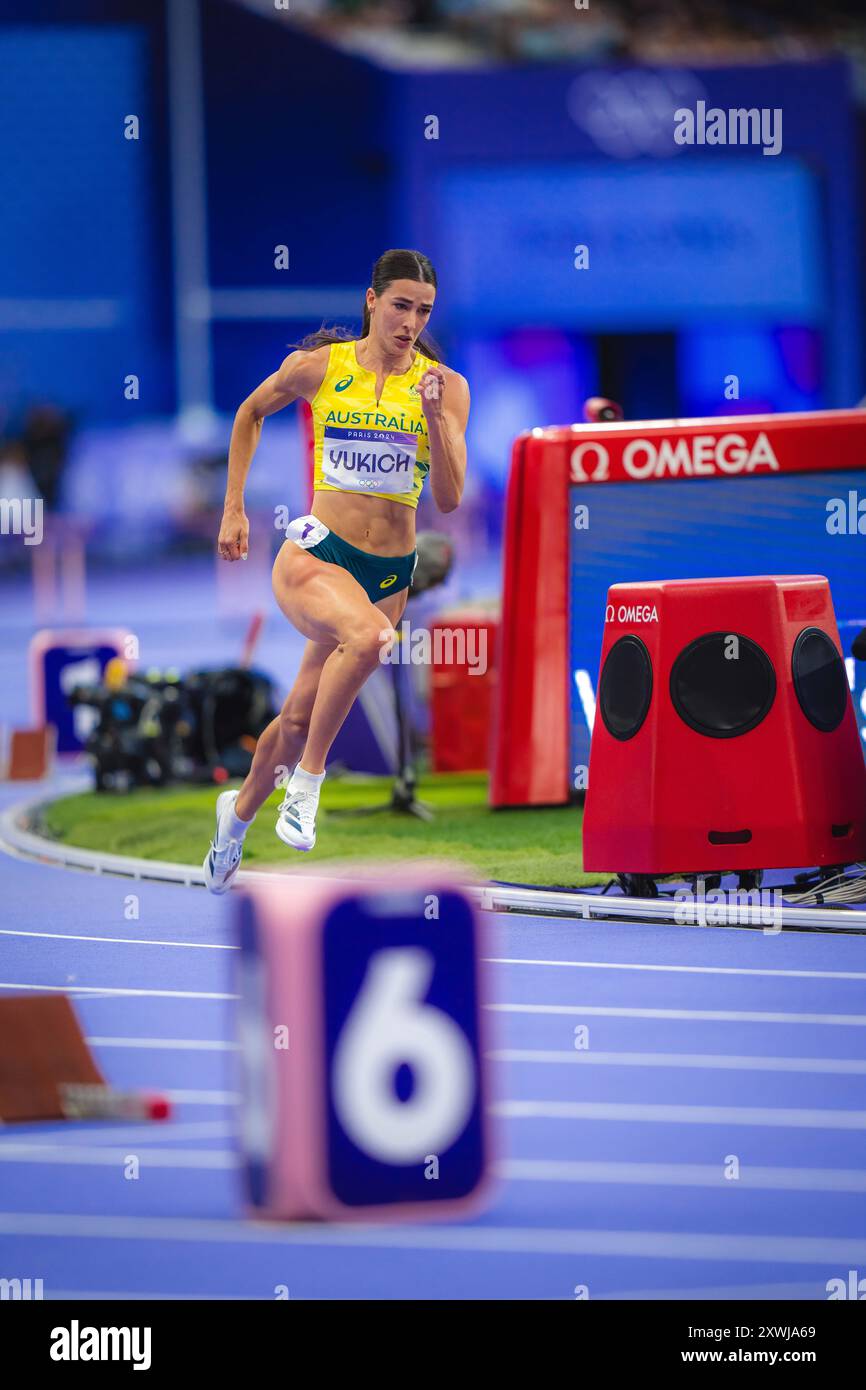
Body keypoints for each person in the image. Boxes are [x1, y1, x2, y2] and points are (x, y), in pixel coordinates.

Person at [203, 248, 470, 892]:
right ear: (372, 301)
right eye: (400, 305)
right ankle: (310, 783)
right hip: (317, 556)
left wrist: (435, 416)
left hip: (387, 576)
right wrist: (234, 508)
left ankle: (233, 823)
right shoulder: (322, 367)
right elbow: (248, 413)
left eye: (424, 311)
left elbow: (450, 497)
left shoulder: (447, 386)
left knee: (296, 719)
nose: (410, 321)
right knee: (371, 641)